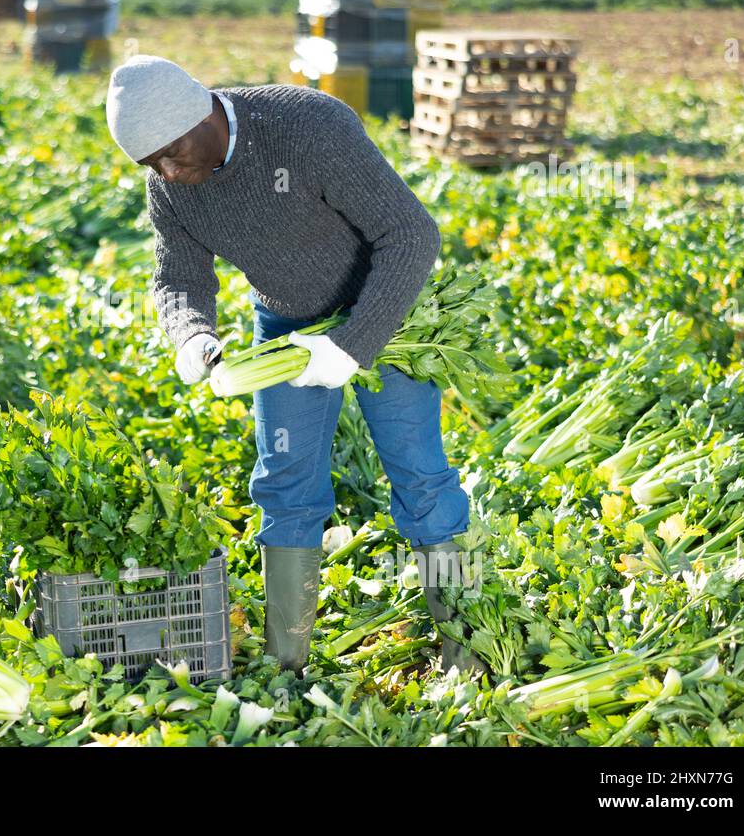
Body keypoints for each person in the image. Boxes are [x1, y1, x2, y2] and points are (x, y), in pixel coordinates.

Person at [105, 55, 487, 677]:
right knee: (284, 485)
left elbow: (411, 234)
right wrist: (192, 334)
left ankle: (467, 644)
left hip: (386, 319)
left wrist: (352, 344)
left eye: (172, 152)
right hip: (285, 323)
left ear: (201, 111)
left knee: (420, 476)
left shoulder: (307, 127)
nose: (170, 172)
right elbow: (178, 276)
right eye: (151, 165)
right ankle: (289, 666)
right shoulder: (170, 185)